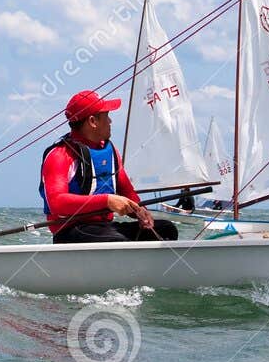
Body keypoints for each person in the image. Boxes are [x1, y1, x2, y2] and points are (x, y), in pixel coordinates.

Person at [39, 90, 178, 245]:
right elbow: (57, 203)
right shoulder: (59, 155)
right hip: (71, 232)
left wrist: (140, 211)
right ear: (93, 121)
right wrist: (107, 201)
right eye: (106, 116)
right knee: (115, 241)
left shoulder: (111, 152)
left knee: (166, 229)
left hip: (105, 228)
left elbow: (127, 191)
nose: (110, 121)